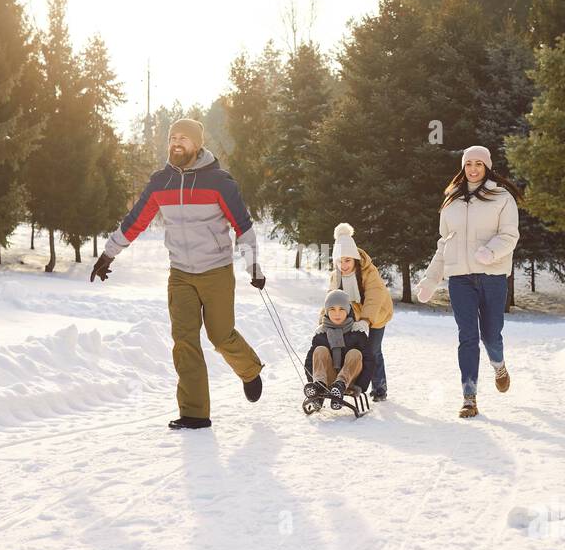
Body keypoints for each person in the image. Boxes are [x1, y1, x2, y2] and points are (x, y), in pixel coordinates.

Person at [90, 118, 265, 430]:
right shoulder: (161, 182)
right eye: (172, 137)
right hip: (180, 274)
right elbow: (135, 221)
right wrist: (108, 254)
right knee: (184, 341)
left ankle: (249, 370)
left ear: (196, 145)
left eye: (183, 138)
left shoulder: (219, 182)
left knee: (220, 335)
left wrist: (253, 266)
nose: (176, 143)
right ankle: (195, 413)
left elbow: (243, 226)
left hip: (216, 271)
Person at [414, 145, 520, 418]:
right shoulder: (451, 201)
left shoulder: (502, 197)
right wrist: (430, 278)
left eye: (479, 164)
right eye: (468, 164)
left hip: (493, 277)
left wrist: (491, 251)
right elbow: (443, 244)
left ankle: (499, 364)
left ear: (487, 167)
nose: (473, 169)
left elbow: (510, 236)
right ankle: (469, 397)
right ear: (463, 167)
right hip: (459, 279)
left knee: (491, 334)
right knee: (468, 337)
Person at [327, 222, 393, 400]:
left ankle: (379, 388)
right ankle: (353, 384)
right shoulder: (336, 277)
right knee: (353, 350)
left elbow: (374, 296)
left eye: (347, 260)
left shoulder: (368, 271)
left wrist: (365, 320)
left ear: (354, 258)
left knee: (372, 350)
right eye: (340, 261)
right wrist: (322, 323)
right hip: (354, 317)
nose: (344, 265)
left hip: (377, 314)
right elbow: (330, 301)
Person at [304, 289, 375, 410]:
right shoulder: (321, 334)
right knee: (320, 350)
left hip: (351, 381)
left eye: (341, 309)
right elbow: (310, 363)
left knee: (355, 353)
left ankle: (340, 386)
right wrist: (313, 379)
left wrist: (360, 386)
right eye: (332, 309)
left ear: (348, 310)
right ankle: (319, 385)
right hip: (328, 382)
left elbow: (369, 361)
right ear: (326, 311)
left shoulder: (357, 332)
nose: (337, 314)